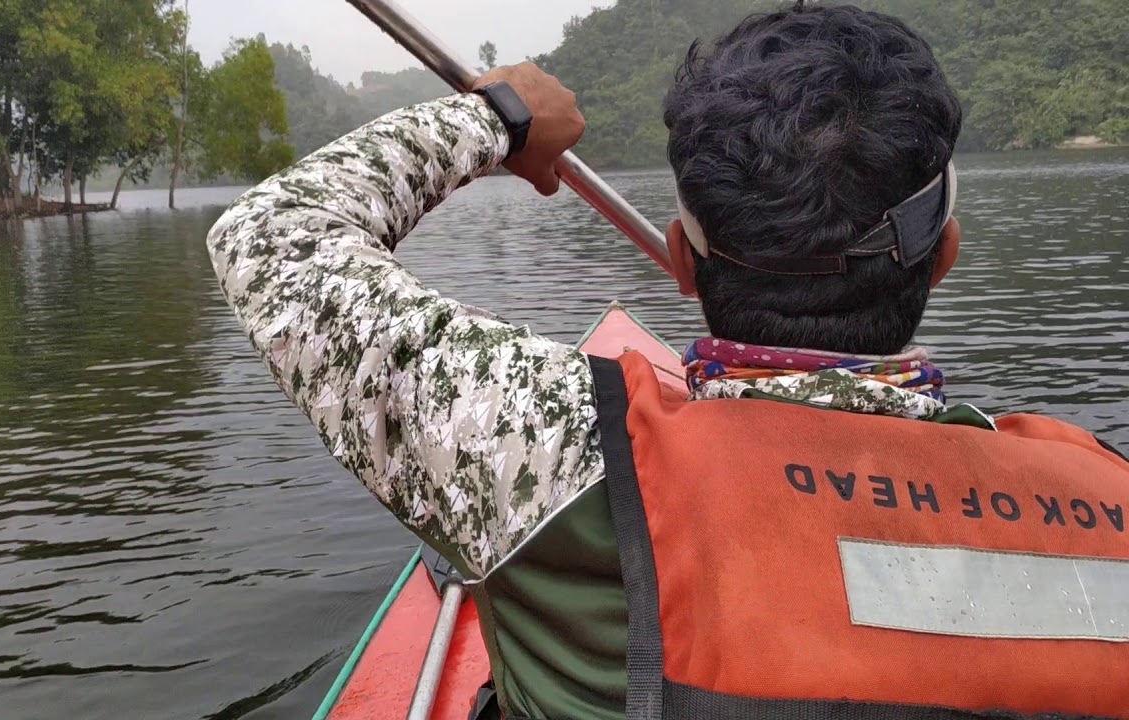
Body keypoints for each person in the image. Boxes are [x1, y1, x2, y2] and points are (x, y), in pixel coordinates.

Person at [208, 3, 1129, 719]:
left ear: (682, 261)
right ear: (946, 253)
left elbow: (271, 238)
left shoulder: (540, 446)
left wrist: (498, 117)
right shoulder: (1104, 496)